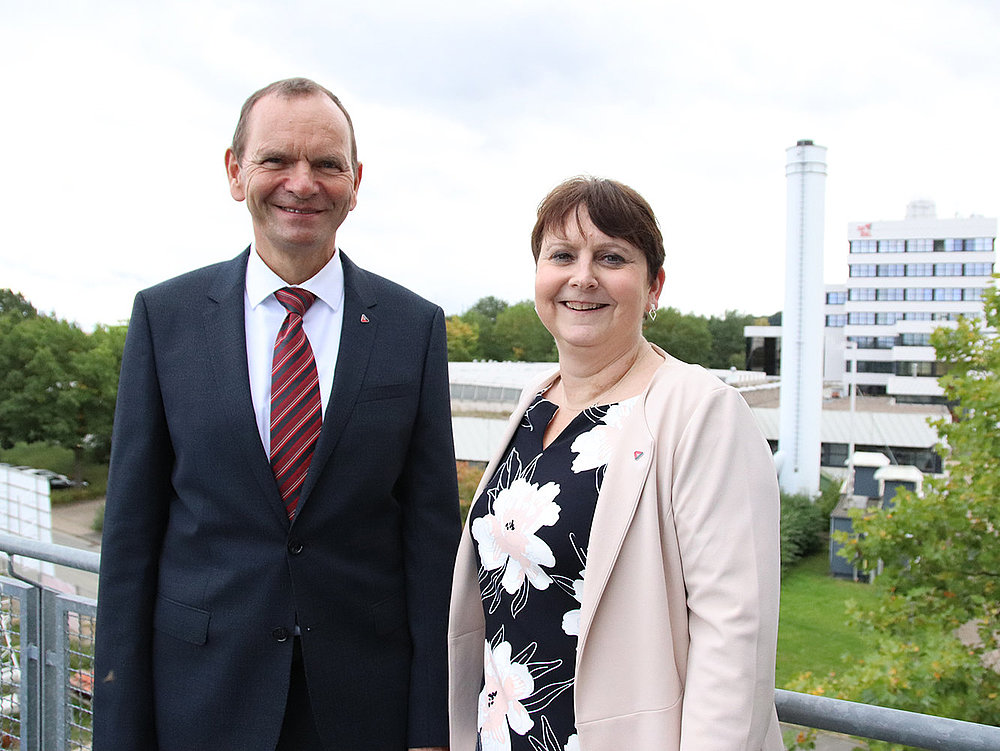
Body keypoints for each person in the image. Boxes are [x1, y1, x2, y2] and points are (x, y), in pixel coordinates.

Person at [93, 78, 459, 751]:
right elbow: (130, 541)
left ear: (355, 181)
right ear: (236, 172)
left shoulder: (414, 328)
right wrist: (120, 731)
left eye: (326, 164)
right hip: (201, 700)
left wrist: (432, 727)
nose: (302, 183)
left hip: (363, 706)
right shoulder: (164, 320)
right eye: (276, 160)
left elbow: (431, 540)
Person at [447, 176, 783, 750]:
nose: (582, 277)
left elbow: (735, 637)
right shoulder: (534, 402)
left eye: (611, 257)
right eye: (562, 256)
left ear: (654, 287)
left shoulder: (701, 412)